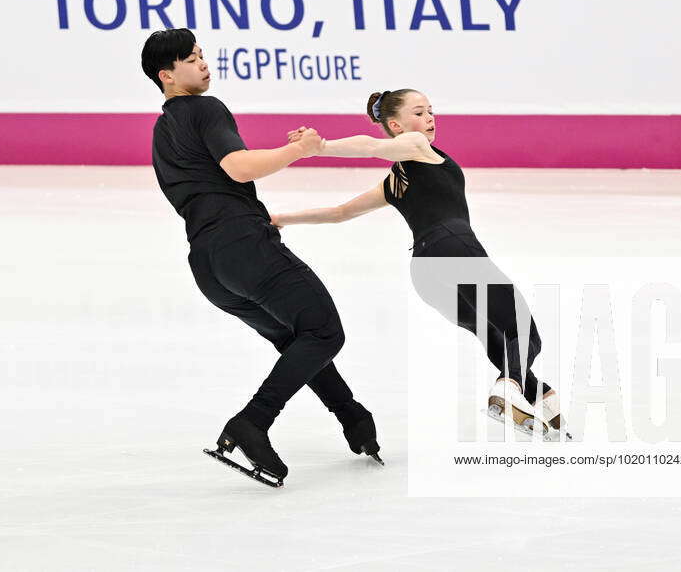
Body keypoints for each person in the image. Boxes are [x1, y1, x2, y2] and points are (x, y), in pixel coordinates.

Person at [141, 30, 444, 486]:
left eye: (203, 55)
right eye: (191, 59)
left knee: (297, 337)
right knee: (324, 330)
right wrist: (298, 150)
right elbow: (238, 167)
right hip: (244, 244)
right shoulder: (205, 108)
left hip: (208, 267)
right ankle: (252, 422)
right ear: (168, 75)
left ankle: (352, 416)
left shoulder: (162, 131)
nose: (204, 63)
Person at [273, 89, 568, 439]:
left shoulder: (394, 182)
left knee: (499, 339)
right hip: (453, 250)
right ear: (396, 125)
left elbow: (340, 213)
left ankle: (549, 412)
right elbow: (371, 146)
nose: (429, 117)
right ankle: (507, 392)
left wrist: (281, 218)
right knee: (524, 333)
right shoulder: (416, 144)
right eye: (419, 112)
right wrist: (321, 147)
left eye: (431, 110)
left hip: (426, 272)